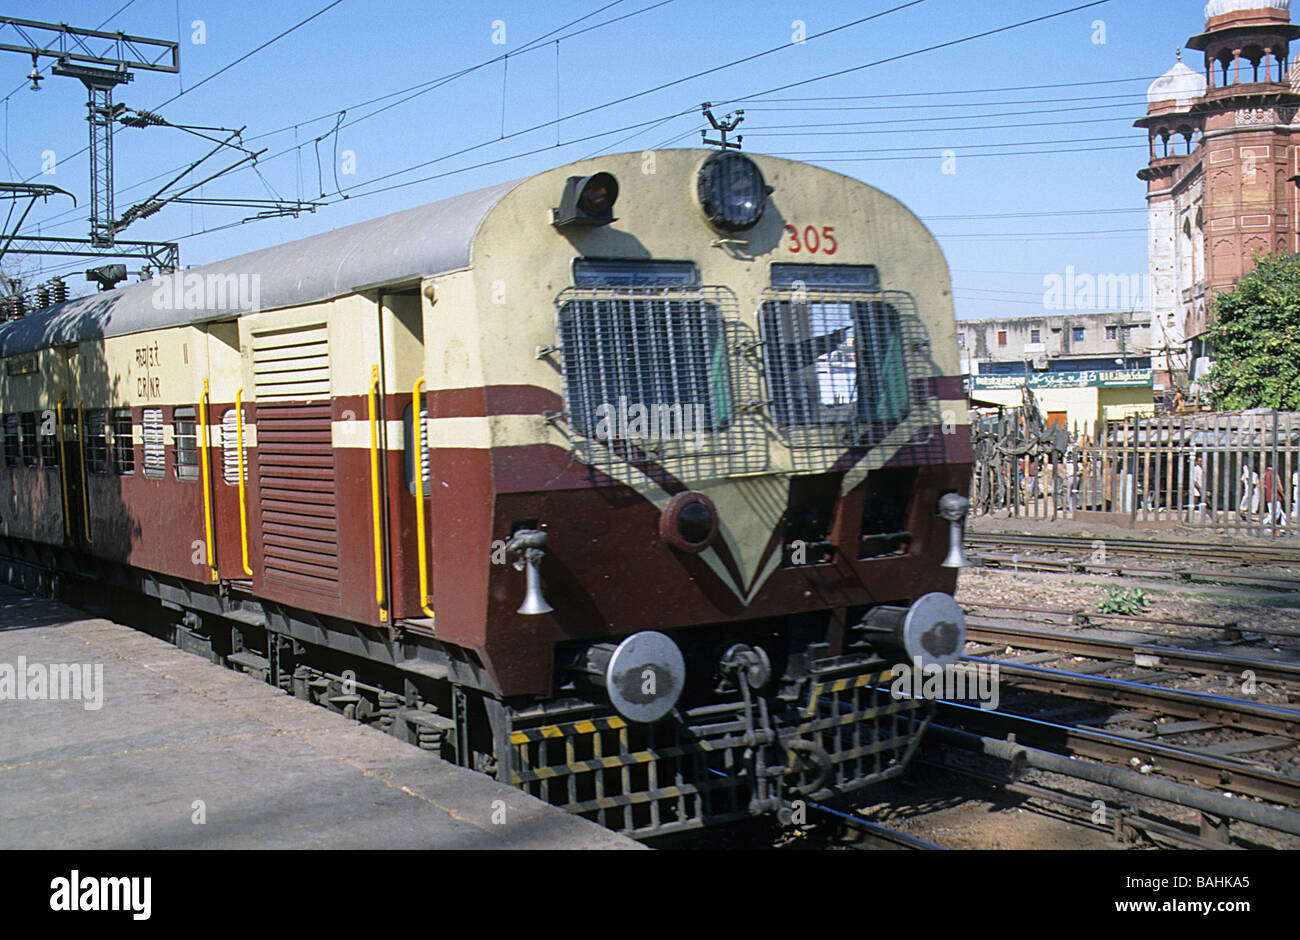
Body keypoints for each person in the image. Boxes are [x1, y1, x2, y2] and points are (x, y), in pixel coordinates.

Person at [1263, 460, 1288, 527]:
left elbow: (1261, 484)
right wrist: (1283, 495)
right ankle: (1264, 523)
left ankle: (1284, 526)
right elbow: (1278, 485)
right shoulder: (1274, 473)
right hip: (1275, 496)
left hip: (1268, 495)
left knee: (1280, 512)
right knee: (1275, 513)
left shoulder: (1266, 474)